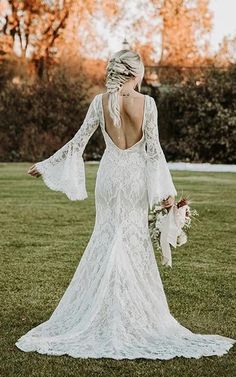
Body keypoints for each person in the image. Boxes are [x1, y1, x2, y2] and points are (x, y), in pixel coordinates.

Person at [15, 50, 235, 360]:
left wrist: (46, 164)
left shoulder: (99, 102)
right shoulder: (148, 104)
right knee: (131, 240)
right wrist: (166, 194)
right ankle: (131, 313)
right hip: (134, 180)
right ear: (135, 73)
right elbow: (154, 152)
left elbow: (79, 142)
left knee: (106, 237)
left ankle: (105, 308)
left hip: (109, 177)